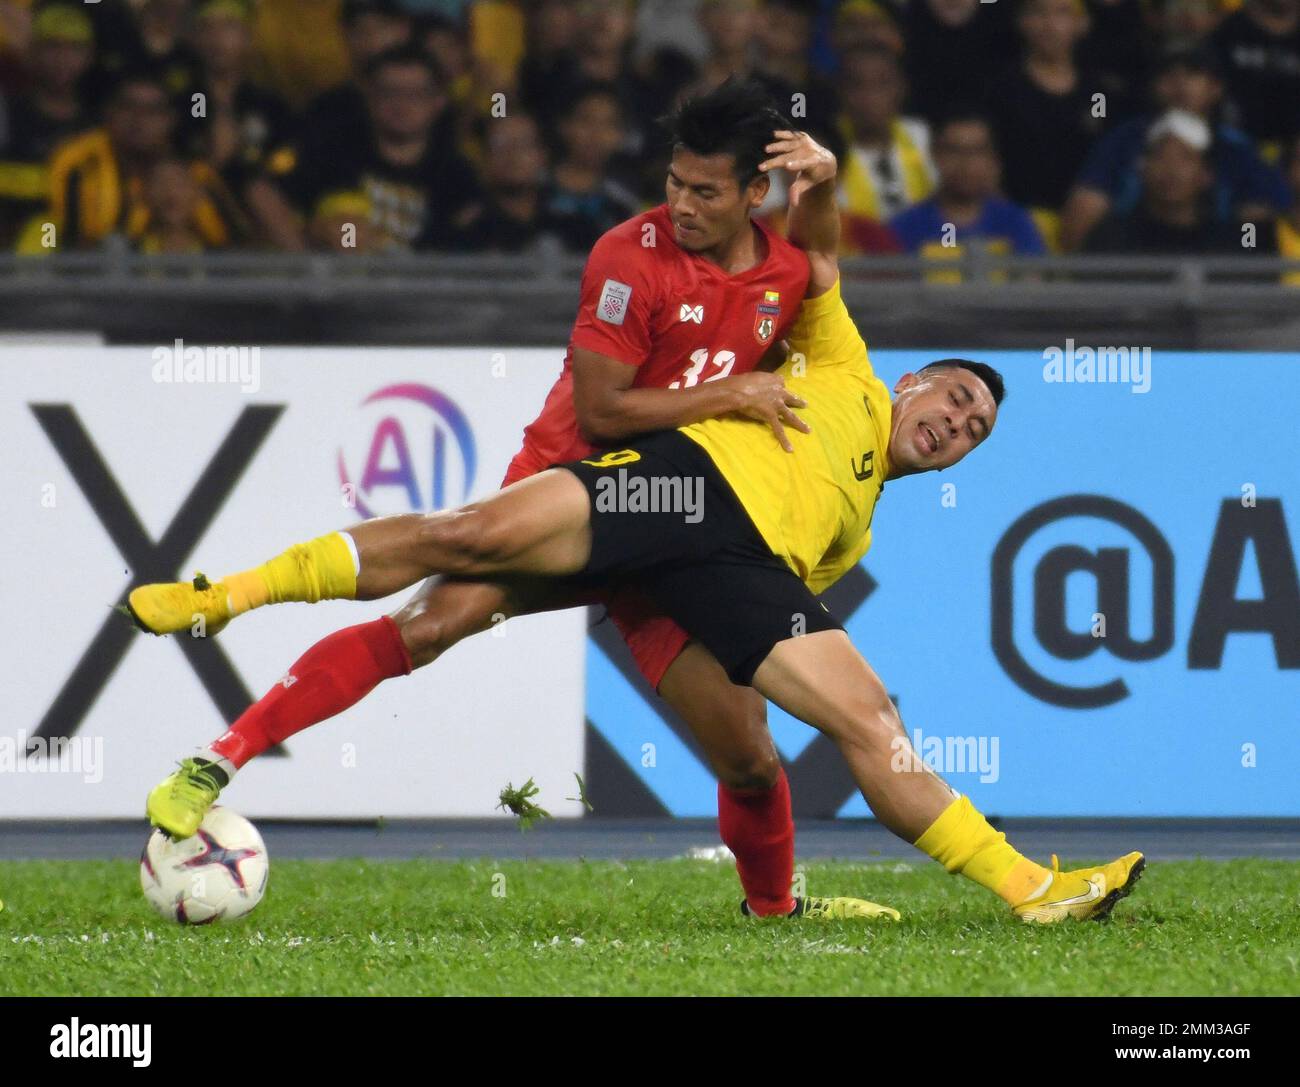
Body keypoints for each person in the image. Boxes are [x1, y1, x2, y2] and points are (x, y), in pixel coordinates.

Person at [130, 120, 1144, 925]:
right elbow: (817, 259)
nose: (954, 426)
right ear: (913, 379)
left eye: (971, 433)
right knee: (450, 576)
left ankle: (1010, 891)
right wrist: (822, 182)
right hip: (673, 488)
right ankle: (222, 625)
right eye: (954, 400)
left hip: (724, 570)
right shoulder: (840, 364)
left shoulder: (854, 535)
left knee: (816, 733)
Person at [1057, 45, 1289, 251]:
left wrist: (1238, 252)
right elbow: (1085, 210)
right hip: (1132, 249)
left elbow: (1258, 223)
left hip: (1213, 257)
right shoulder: (1124, 138)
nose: (1180, 85)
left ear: (1215, 87)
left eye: (1193, 74)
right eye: (1168, 75)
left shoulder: (1236, 147)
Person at [1083, 109, 1252, 253]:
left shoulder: (1228, 246)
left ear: (1206, 174)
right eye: (1160, 156)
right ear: (1141, 169)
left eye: (1185, 157)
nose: (1172, 169)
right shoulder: (1108, 240)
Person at [889, 111, 1046, 262]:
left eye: (977, 151)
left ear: (992, 158)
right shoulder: (905, 227)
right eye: (954, 151)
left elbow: (1033, 283)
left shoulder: (1016, 223)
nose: (966, 163)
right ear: (935, 154)